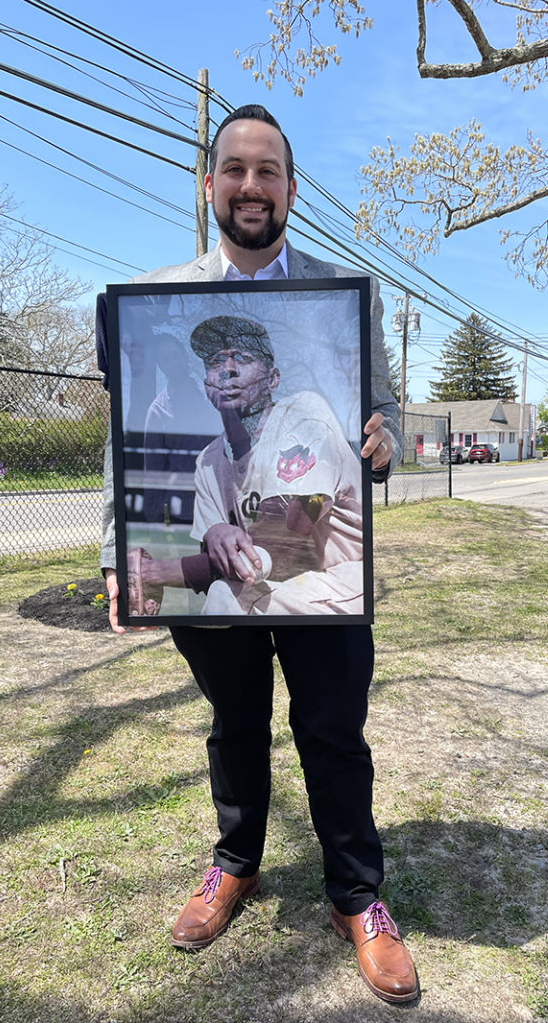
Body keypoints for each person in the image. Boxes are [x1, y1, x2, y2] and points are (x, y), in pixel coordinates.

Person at [101, 104, 419, 1004]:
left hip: (326, 592)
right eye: (233, 169)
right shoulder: (156, 297)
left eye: (267, 170)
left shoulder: (341, 301)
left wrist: (387, 442)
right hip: (232, 613)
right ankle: (235, 864)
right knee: (232, 728)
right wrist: (129, 563)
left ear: (289, 187)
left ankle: (358, 897)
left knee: (332, 733)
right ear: (209, 186)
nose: (250, 186)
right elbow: (124, 445)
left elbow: (356, 452)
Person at [128, 313, 366, 617]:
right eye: (215, 361)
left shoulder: (303, 414)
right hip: (265, 586)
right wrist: (214, 538)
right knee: (220, 599)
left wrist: (155, 573)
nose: (228, 369)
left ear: (272, 378)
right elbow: (216, 561)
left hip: (337, 585)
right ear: (206, 386)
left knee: (224, 597)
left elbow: (291, 533)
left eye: (243, 357)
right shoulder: (208, 462)